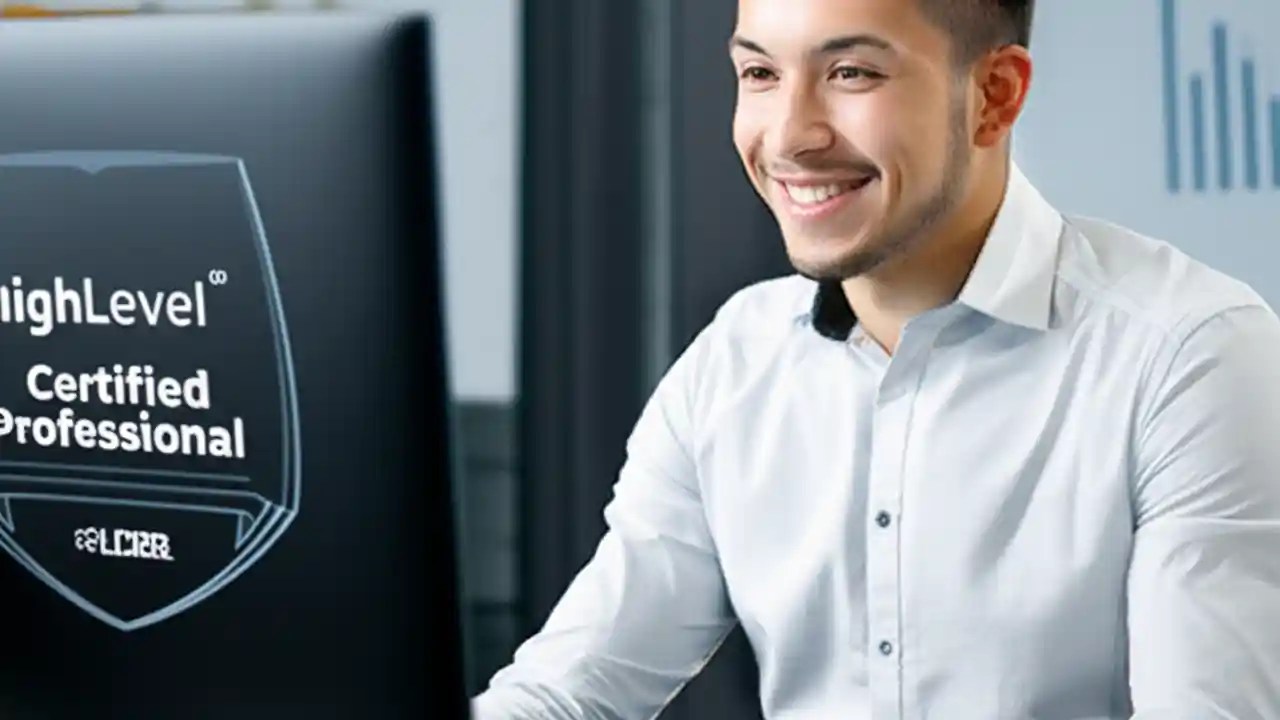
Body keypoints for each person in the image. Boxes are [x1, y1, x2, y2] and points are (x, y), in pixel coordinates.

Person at [472, 0, 1280, 717]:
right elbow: (573, 690)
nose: (789, 135)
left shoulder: (1189, 355)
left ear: (994, 96)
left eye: (852, 72)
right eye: (758, 72)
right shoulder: (735, 363)